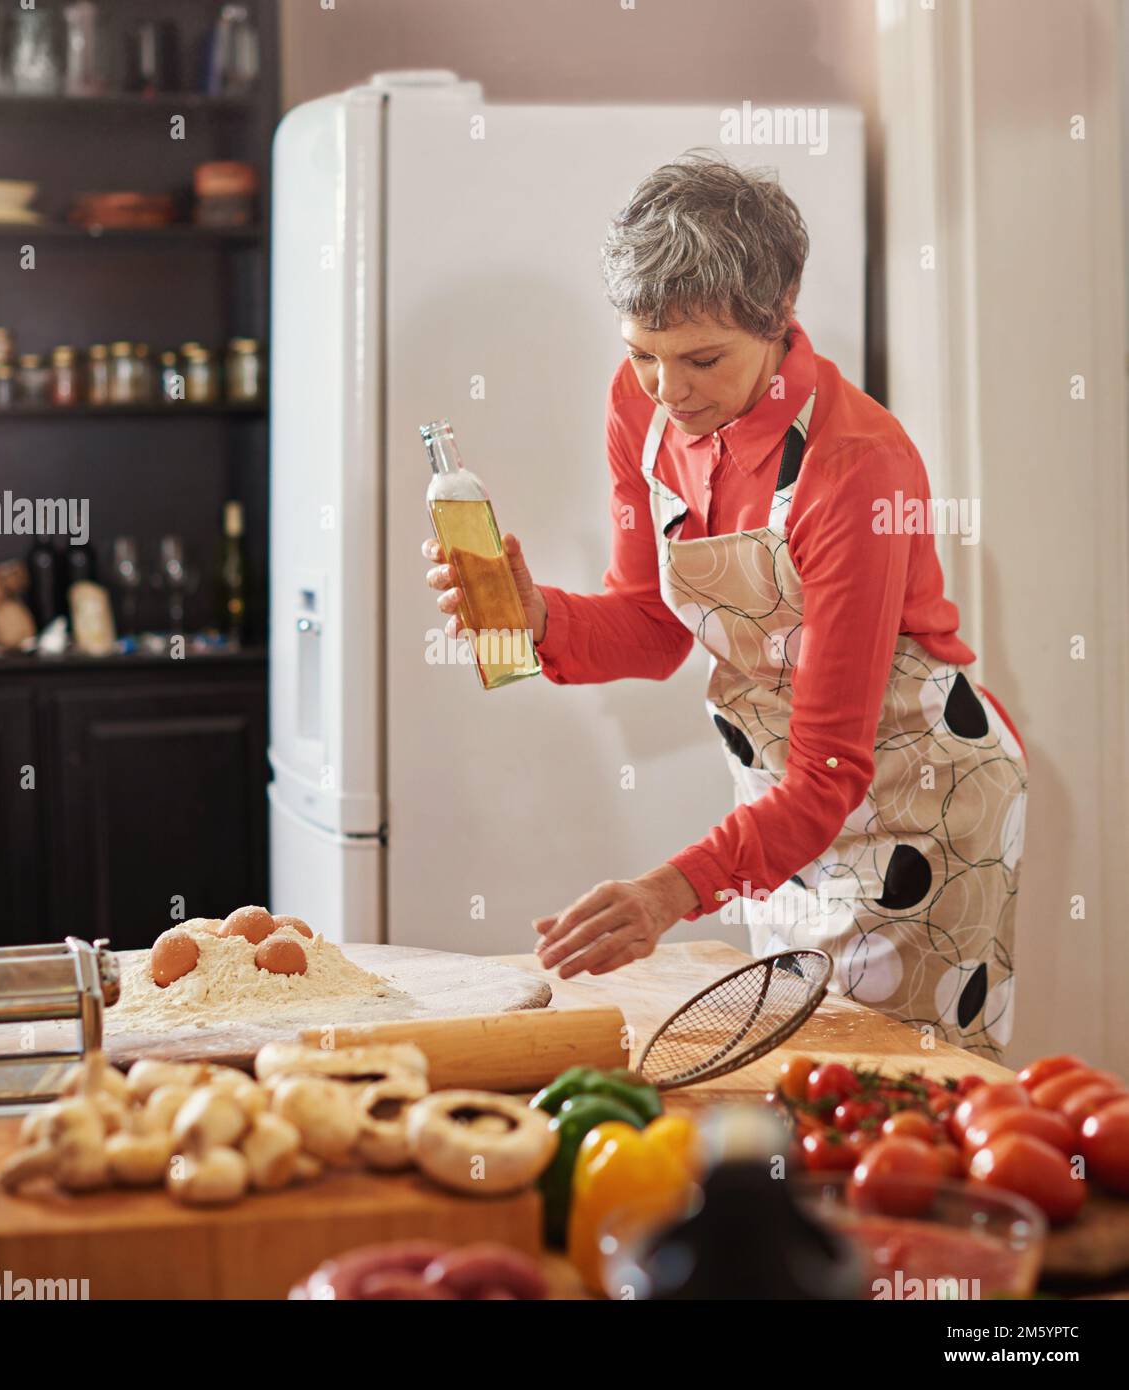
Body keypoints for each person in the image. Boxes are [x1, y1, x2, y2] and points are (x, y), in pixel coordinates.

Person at [422, 151, 1026, 1058]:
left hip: (919, 809)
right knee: (794, 1065)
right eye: (643, 356)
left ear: (779, 319)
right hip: (783, 813)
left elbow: (833, 772)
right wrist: (536, 615)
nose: (669, 391)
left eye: (702, 359)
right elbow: (655, 625)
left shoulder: (857, 469)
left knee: (898, 1091)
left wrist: (668, 892)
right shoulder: (642, 407)